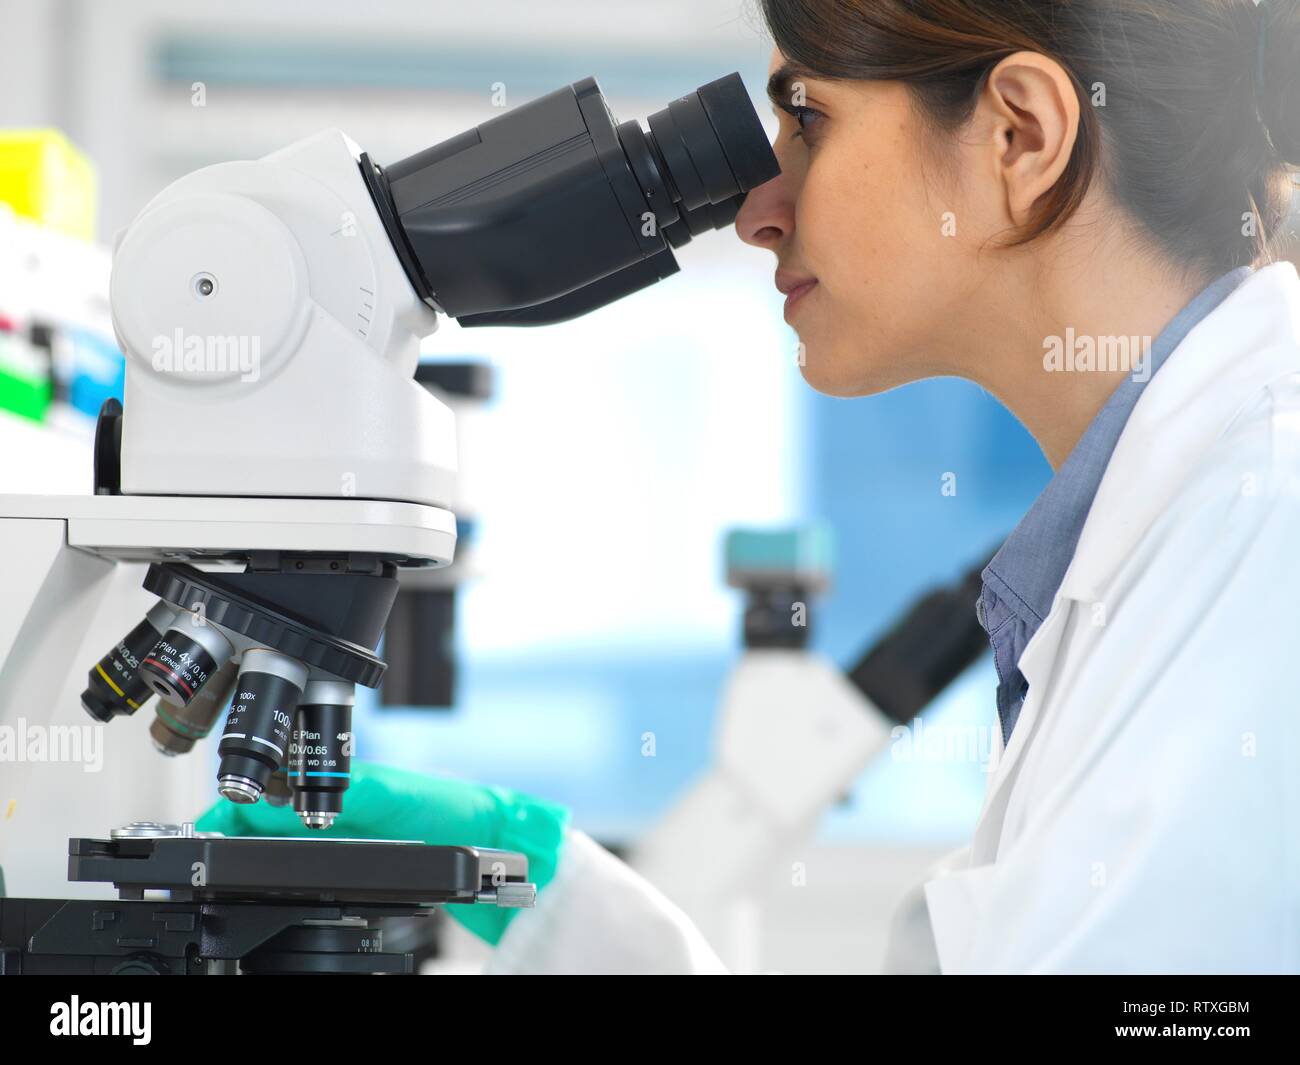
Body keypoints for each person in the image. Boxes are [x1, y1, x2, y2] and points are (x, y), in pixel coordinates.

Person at [202, 0, 1300, 973]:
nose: (753, 208)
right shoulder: (1182, 514)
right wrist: (557, 906)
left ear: (1020, 134)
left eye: (807, 120)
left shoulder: (1259, 516)